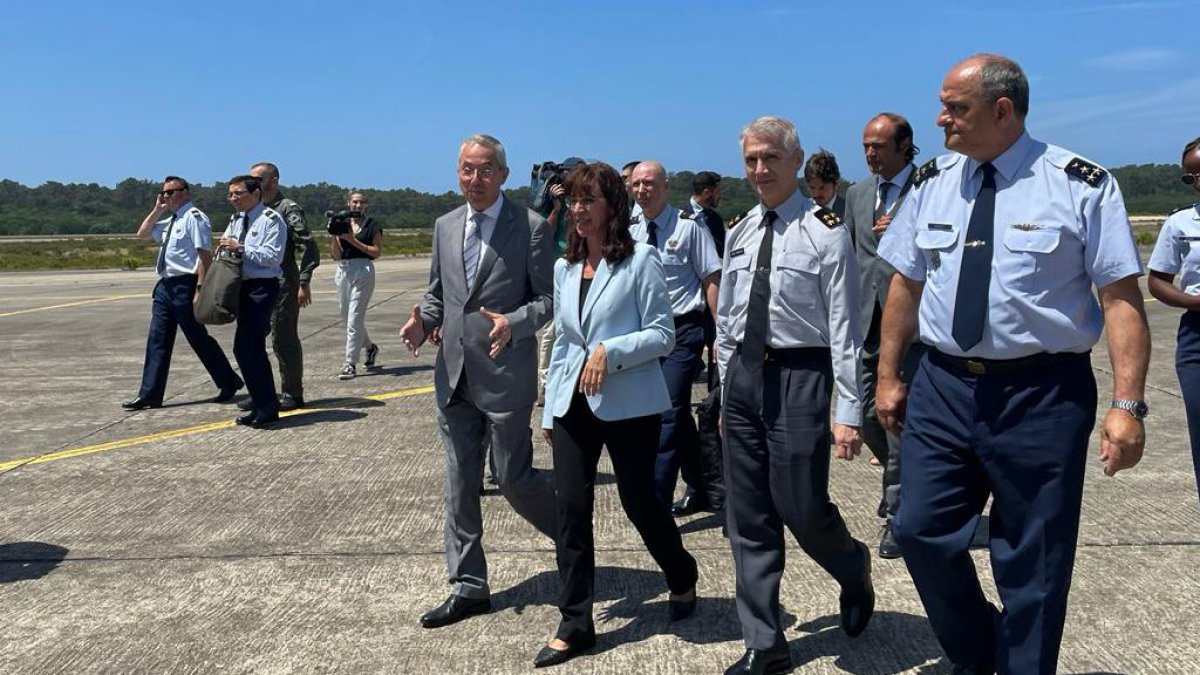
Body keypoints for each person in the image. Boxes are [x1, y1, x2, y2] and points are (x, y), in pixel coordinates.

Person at [876, 54, 1150, 675]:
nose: (940, 118)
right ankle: (983, 654)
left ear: (1002, 111)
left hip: (1042, 393)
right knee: (918, 530)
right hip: (943, 386)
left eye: (955, 107)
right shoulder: (932, 181)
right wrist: (890, 375)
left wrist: (1126, 405)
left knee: (1034, 559)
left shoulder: (1080, 184)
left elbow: (1120, 301)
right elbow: (906, 285)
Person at [717, 116, 873, 675]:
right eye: (752, 160)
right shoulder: (738, 230)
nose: (760, 170)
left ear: (795, 159)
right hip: (743, 377)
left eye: (771, 159)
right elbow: (728, 320)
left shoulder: (825, 231)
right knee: (748, 512)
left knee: (801, 505)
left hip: (800, 376)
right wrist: (722, 389)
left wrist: (849, 412)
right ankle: (765, 641)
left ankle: (853, 567)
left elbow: (845, 330)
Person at [536, 161, 698, 668]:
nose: (578, 211)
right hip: (572, 403)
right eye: (574, 202)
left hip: (628, 404)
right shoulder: (565, 268)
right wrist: (548, 405)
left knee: (639, 502)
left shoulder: (641, 261)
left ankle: (681, 572)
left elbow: (663, 334)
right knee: (571, 508)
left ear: (612, 207)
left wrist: (612, 350)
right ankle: (575, 621)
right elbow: (563, 342)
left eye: (589, 201)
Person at [398, 133, 559, 630]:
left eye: (486, 169)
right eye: (468, 168)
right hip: (453, 374)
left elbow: (551, 300)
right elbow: (438, 294)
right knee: (459, 484)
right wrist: (422, 321)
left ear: (504, 175)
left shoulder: (530, 227)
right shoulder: (445, 225)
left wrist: (515, 321)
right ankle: (469, 586)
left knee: (513, 479)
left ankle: (573, 537)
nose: (476, 178)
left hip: (505, 372)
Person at [843, 112, 922, 560]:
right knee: (869, 413)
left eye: (879, 146)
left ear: (905, 145)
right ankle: (898, 484)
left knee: (897, 421)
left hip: (911, 323)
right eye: (866, 147)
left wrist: (908, 232)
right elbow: (852, 255)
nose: (871, 154)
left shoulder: (928, 189)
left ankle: (899, 513)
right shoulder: (857, 194)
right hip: (866, 320)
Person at [628, 161, 721, 509]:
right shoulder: (630, 230)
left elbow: (711, 278)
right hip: (644, 335)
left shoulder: (690, 228)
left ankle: (656, 502)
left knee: (665, 411)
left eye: (649, 183)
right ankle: (703, 485)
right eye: (636, 184)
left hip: (683, 331)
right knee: (677, 414)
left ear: (666, 186)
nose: (642, 191)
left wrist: (719, 334)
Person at [123, 176, 242, 410]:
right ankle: (150, 394)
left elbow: (204, 255)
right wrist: (158, 209)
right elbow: (143, 233)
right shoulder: (171, 220)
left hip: (185, 285)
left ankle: (228, 380)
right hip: (165, 287)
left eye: (171, 192)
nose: (166, 196)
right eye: (163, 193)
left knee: (197, 337)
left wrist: (200, 288)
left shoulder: (194, 218)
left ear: (185, 193)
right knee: (157, 339)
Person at [242, 162, 320, 411]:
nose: (253, 182)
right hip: (257, 285)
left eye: (258, 178)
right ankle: (261, 392)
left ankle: (292, 393)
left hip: (284, 282)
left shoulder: (287, 209)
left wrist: (304, 281)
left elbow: (309, 245)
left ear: (273, 180)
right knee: (252, 339)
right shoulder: (255, 210)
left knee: (283, 338)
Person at [1147, 135, 1200, 501]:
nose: (1198, 182)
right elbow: (1157, 281)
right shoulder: (1180, 224)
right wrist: (1193, 302)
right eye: (1190, 177)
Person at [219, 175, 288, 429]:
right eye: (230, 194)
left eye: (238, 193)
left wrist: (241, 248)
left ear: (256, 193)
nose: (233, 199)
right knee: (245, 349)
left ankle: (268, 406)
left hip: (262, 287)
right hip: (241, 285)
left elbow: (272, 258)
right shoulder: (236, 220)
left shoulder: (271, 221)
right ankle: (260, 404)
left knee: (249, 347)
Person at [331, 190, 383, 380]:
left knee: (355, 317)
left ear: (366, 205)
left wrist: (352, 240)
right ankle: (370, 347)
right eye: (355, 202)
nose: (358, 205)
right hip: (343, 269)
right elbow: (336, 255)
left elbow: (376, 252)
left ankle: (350, 363)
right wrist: (334, 234)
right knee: (347, 317)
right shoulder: (343, 224)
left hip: (363, 269)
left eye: (361, 202)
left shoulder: (372, 225)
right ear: (348, 203)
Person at [804, 150, 846, 219]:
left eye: (822, 188)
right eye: (812, 188)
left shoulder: (848, 212)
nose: (816, 194)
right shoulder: (802, 211)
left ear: (836, 185)